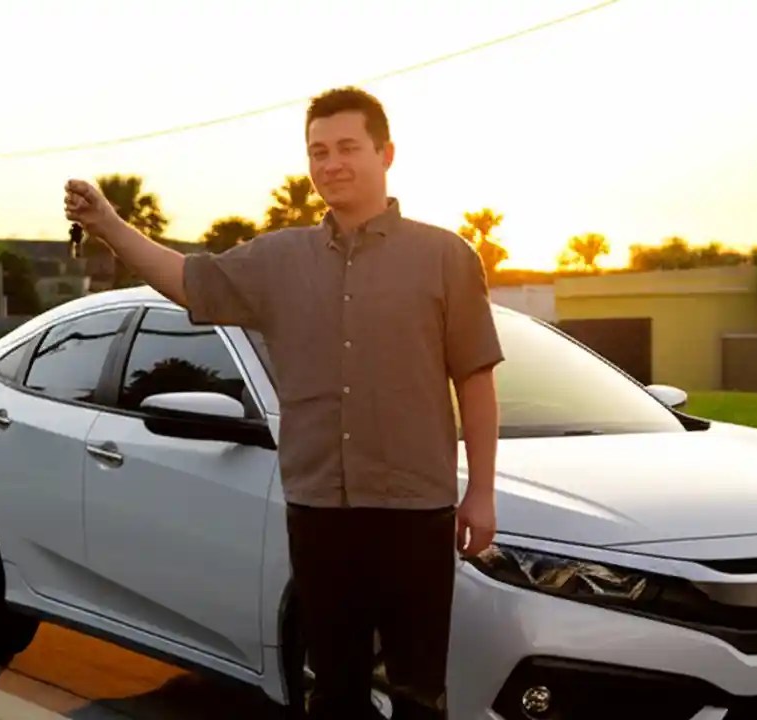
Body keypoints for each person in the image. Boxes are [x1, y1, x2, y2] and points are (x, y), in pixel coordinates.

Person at [63, 86, 504, 719]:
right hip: (319, 511)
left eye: (348, 147)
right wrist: (106, 223)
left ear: (387, 154)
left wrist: (481, 490)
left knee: (417, 693)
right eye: (318, 151)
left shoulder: (445, 258)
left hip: (416, 513)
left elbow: (476, 378)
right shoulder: (276, 260)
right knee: (332, 691)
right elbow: (186, 278)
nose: (331, 164)